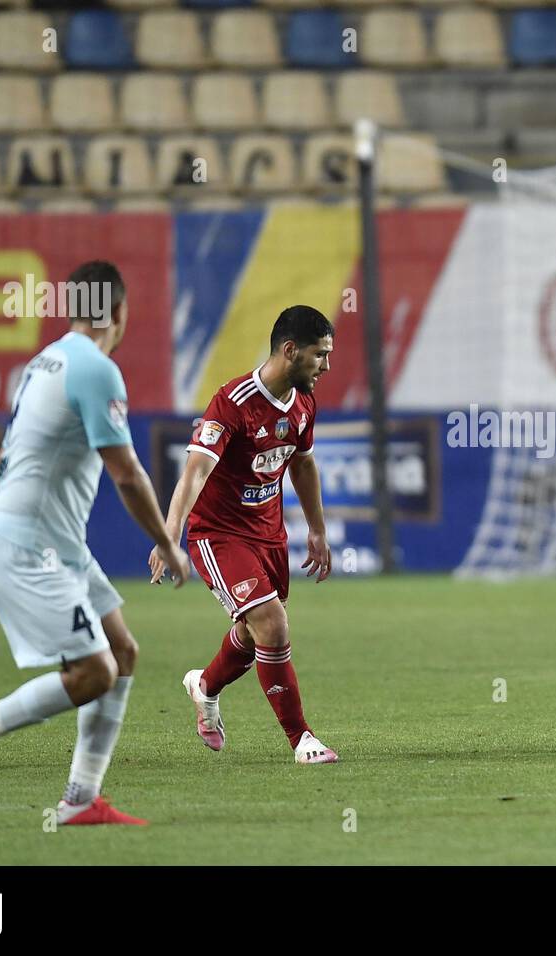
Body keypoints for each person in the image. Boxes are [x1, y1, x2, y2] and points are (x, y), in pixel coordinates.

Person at [0, 260, 191, 825]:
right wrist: (167, 542)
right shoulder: (96, 370)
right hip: (32, 542)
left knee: (122, 653)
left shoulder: (42, 362)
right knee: (95, 671)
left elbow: (3, 461)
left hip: (44, 538)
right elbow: (127, 474)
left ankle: (81, 800)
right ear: (119, 311)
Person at [150, 305, 338, 765]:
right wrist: (169, 534)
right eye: (319, 355)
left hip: (269, 535)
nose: (326, 366)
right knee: (272, 623)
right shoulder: (233, 402)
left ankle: (205, 686)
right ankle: (302, 739)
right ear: (290, 350)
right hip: (219, 534)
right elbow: (196, 471)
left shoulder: (303, 404)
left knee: (255, 635)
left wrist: (316, 528)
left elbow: (302, 464)